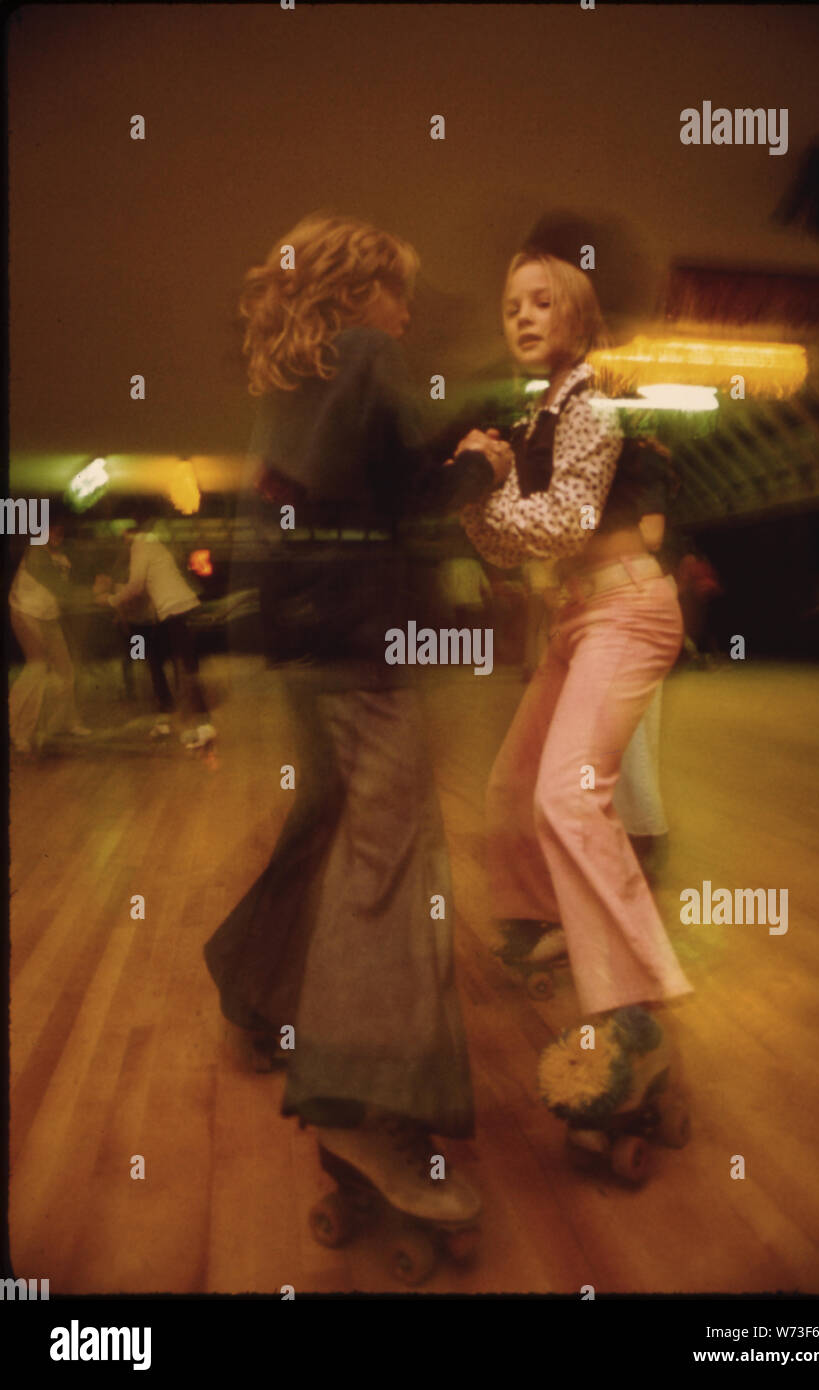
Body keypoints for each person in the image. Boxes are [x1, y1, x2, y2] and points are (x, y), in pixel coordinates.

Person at [202, 213, 507, 1237]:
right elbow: (415, 493)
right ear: (353, 292)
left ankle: (251, 992)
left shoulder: (288, 380)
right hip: (361, 639)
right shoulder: (372, 353)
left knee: (329, 816)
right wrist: (480, 462)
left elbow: (338, 494)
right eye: (396, 291)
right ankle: (364, 1113)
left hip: (296, 638)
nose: (406, 312)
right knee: (391, 857)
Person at [456, 238, 692, 1150]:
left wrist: (475, 495)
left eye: (542, 301)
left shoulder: (589, 410)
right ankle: (537, 929)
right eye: (512, 302)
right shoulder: (541, 415)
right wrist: (481, 491)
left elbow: (556, 524)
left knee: (566, 793)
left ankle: (633, 1009)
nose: (521, 314)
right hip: (577, 616)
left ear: (579, 318)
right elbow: (511, 547)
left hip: (628, 611)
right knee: (514, 789)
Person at [95, 506, 215, 748]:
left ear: (130, 533)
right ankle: (185, 721)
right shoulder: (153, 545)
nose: (123, 540)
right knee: (178, 663)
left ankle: (204, 725)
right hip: (176, 607)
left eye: (124, 535)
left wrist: (110, 600)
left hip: (174, 608)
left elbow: (137, 585)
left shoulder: (141, 546)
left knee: (185, 666)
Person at [8, 517, 91, 753]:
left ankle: (67, 721)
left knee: (66, 671)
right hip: (26, 612)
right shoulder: (35, 552)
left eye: (61, 530)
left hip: (49, 616)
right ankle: (18, 731)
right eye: (53, 529)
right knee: (37, 667)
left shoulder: (62, 556)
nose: (57, 534)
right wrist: (94, 594)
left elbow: (65, 590)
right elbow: (58, 586)